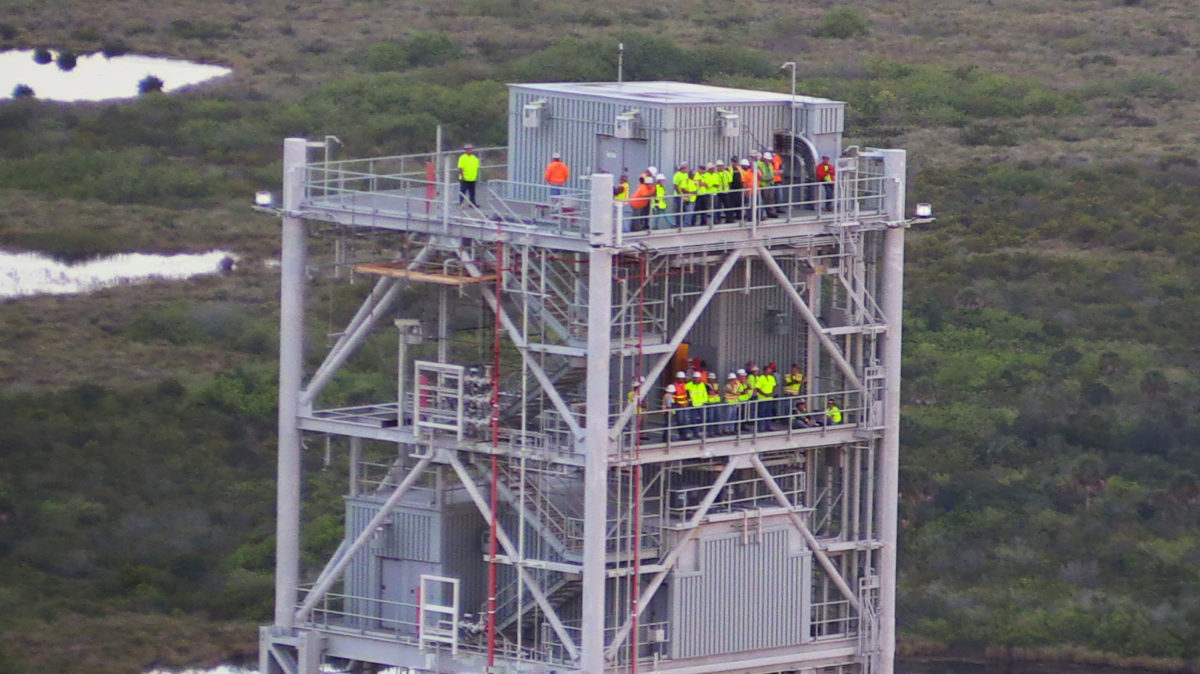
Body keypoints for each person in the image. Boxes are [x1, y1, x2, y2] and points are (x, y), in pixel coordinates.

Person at [754, 362, 779, 431]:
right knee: (761, 413)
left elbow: (774, 386)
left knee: (769, 413)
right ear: (765, 370)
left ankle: (768, 426)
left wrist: (773, 393)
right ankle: (760, 428)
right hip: (762, 399)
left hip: (770, 398)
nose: (770, 371)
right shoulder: (761, 378)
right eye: (769, 370)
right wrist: (764, 394)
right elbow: (757, 388)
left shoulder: (771, 377)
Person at [685, 371, 709, 437]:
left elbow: (704, 393)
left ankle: (698, 430)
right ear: (693, 378)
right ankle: (695, 433)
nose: (697, 379)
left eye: (698, 378)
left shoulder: (702, 385)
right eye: (695, 378)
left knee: (702, 419)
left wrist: (705, 402)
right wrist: (688, 399)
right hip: (694, 404)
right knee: (694, 419)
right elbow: (684, 390)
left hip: (701, 404)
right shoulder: (689, 385)